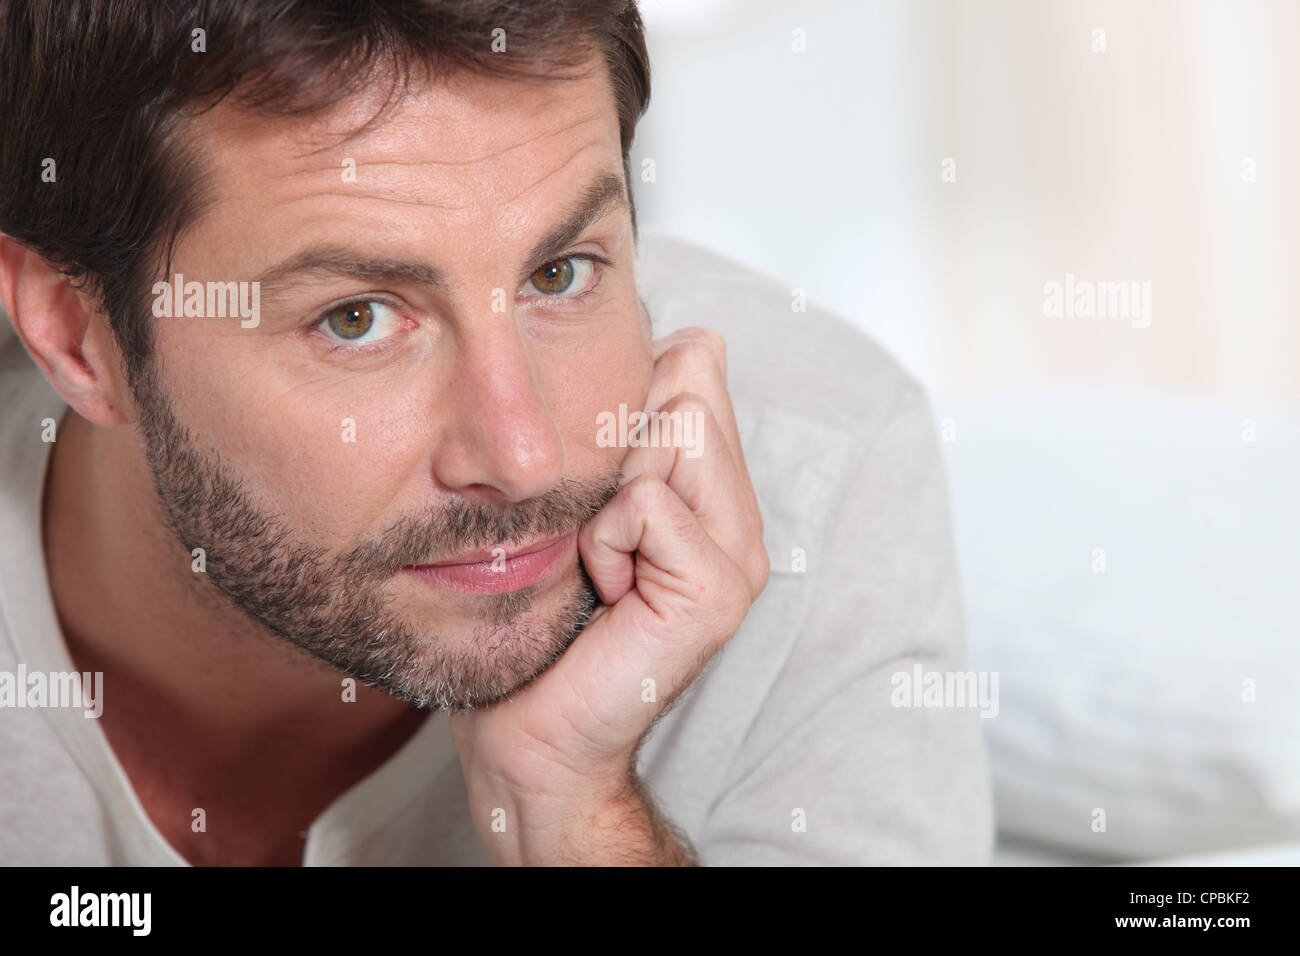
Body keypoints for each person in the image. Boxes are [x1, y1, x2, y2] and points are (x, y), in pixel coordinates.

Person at [0, 0, 992, 865]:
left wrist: (570, 807)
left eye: (560, 273)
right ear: (75, 334)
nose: (524, 459)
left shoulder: (818, 470)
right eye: (357, 317)